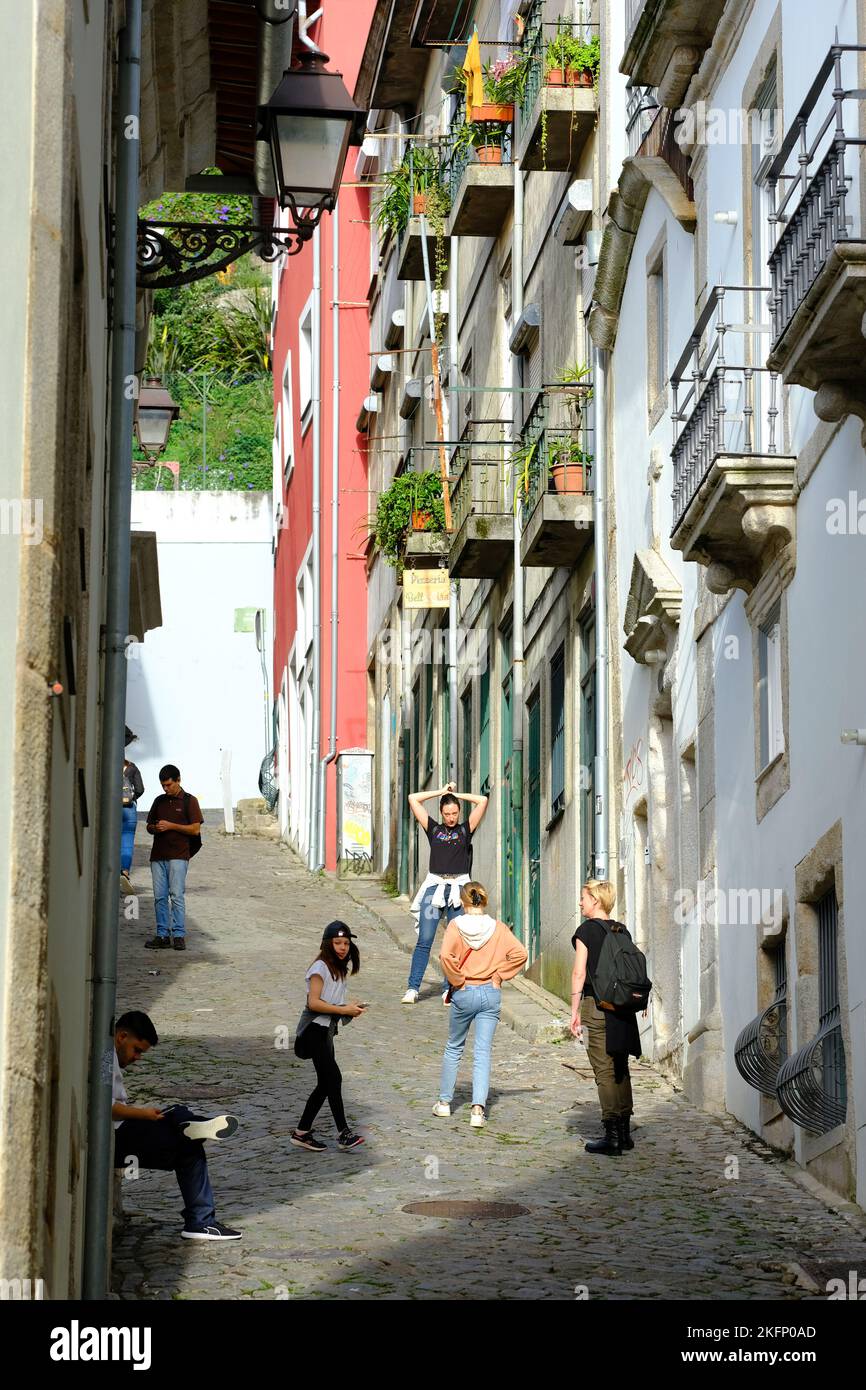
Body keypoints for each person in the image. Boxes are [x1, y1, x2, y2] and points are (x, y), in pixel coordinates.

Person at [112, 1010, 242, 1241]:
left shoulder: (105, 1056)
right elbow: (105, 1106)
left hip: (123, 1129)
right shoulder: (105, 1060)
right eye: (137, 1050)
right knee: (188, 1148)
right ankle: (201, 1222)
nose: (137, 1058)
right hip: (116, 1136)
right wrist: (142, 1114)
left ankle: (193, 1124)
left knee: (175, 1112)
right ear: (122, 1037)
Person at [435, 881, 527, 1127]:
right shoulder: (497, 928)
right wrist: (499, 975)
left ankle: (444, 1103)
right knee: (483, 1052)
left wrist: (458, 980)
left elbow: (445, 956)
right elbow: (521, 954)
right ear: (484, 901)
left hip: (465, 991)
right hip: (490, 991)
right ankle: (478, 1110)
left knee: (454, 1046)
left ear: (464, 901)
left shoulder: (455, 926)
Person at [571, 879, 642, 1157]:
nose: (580, 903)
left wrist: (574, 1011)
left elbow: (579, 973)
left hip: (596, 1006)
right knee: (620, 1066)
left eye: (583, 898)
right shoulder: (621, 930)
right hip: (622, 1008)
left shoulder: (586, 931)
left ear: (595, 900)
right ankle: (624, 1133)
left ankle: (611, 1135)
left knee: (603, 1070)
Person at [403, 780, 489, 1004]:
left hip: (459, 890)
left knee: (455, 942)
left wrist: (458, 794)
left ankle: (449, 987)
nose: (451, 817)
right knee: (425, 939)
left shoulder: (465, 830)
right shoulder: (434, 829)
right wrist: (441, 792)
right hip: (435, 887)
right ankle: (413, 988)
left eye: (454, 812)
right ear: (441, 813)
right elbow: (413, 798)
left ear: (459, 812)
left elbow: (483, 800)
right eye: (447, 813)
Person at [291, 922, 367, 1152]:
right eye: (338, 943)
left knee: (326, 1083)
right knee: (333, 1079)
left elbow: (332, 1002)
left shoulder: (339, 969)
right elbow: (313, 1002)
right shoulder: (320, 967)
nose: (343, 947)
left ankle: (301, 1132)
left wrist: (349, 1007)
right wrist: (344, 1010)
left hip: (326, 1032)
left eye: (346, 943)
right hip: (313, 1031)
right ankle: (343, 1133)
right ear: (327, 944)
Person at [144, 765, 203, 951]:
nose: (166, 789)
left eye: (169, 785)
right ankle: (162, 934)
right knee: (159, 897)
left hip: (178, 855)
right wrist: (156, 828)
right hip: (158, 855)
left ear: (178, 780)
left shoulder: (189, 801)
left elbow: (195, 829)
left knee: (176, 895)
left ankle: (179, 934)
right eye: (163, 785)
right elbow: (148, 825)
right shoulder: (159, 801)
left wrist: (171, 826)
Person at [120, 757, 144, 896]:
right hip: (130, 808)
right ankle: (125, 871)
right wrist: (132, 797)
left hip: (114, 808)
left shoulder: (110, 765)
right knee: (127, 841)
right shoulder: (133, 768)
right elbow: (140, 789)